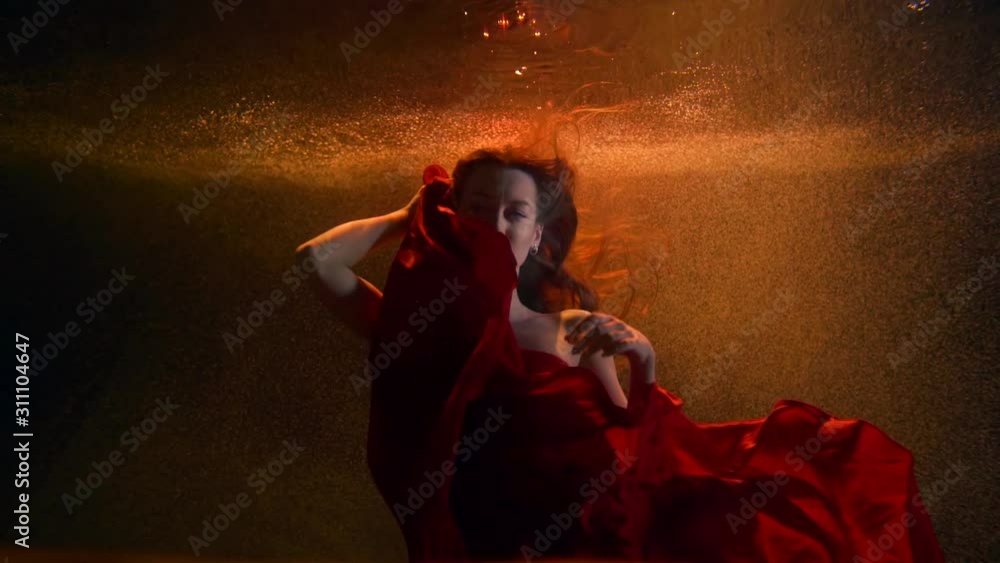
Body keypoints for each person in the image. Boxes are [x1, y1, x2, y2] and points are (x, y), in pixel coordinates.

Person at [295, 147, 946, 562]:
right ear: (450, 217)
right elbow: (315, 259)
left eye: (514, 213)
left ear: (539, 237)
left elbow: (633, 452)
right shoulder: (418, 332)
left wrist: (646, 363)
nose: (494, 225)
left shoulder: (573, 330)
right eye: (478, 209)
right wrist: (408, 213)